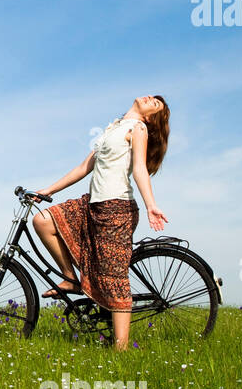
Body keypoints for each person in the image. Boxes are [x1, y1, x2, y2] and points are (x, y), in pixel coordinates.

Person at [32, 95, 170, 349]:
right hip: (93, 204)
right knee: (42, 221)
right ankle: (70, 279)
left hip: (116, 208)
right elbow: (84, 167)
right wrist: (47, 191)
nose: (151, 98)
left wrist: (151, 204)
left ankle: (121, 349)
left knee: (113, 278)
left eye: (156, 104)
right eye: (153, 98)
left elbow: (139, 168)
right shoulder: (114, 128)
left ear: (149, 118)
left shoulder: (137, 129)